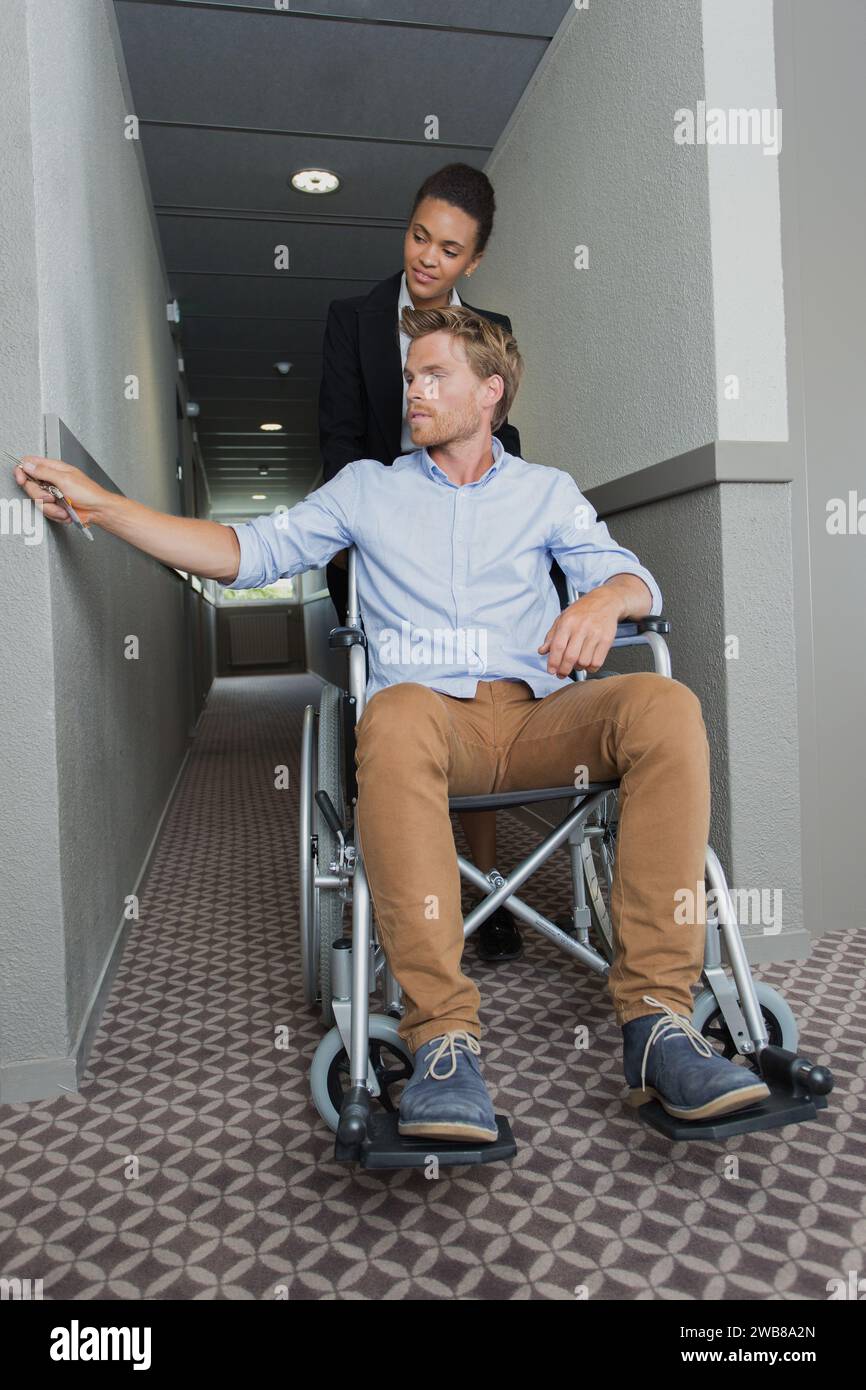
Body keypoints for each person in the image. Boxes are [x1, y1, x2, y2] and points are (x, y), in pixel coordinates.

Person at [13, 305, 770, 1144]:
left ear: (490, 393)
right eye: (410, 374)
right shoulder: (365, 490)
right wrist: (103, 507)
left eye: (433, 375)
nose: (413, 389)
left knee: (666, 704)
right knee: (397, 707)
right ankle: (442, 1038)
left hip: (536, 719)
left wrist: (602, 598)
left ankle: (659, 1025)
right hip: (426, 727)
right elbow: (243, 553)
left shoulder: (545, 492)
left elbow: (637, 581)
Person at [318, 162, 536, 965]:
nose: (427, 259)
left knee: (484, 682)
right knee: (402, 703)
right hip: (380, 548)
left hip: (472, 547)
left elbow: (501, 450)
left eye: (448, 249)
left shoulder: (493, 331)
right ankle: (409, 887)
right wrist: (360, 547)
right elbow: (339, 443)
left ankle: (487, 878)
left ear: (472, 262)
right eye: (419, 236)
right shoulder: (353, 319)